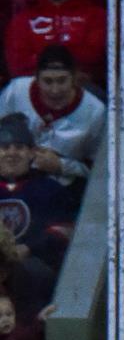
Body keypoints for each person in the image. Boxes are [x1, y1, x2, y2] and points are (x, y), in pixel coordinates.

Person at [0, 46, 104, 186]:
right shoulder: (16, 91)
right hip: (8, 182)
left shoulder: (95, 111)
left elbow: (99, 169)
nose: (55, 90)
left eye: (62, 81)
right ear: (36, 78)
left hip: (64, 188)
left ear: (74, 77)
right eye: (47, 81)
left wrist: (61, 165)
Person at [4, 0, 108, 80]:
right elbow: (17, 65)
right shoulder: (22, 21)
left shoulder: (96, 16)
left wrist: (39, 56)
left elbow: (93, 57)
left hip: (83, 88)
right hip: (31, 88)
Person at [0, 112, 78, 264]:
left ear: (32, 153)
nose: (12, 153)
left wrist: (29, 248)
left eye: (19, 147)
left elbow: (64, 230)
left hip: (35, 267)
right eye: (4, 147)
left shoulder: (50, 189)